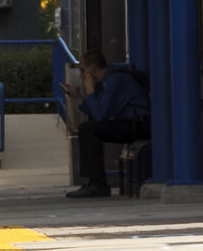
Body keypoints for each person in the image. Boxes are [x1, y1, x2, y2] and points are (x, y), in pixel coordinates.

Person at [62, 49, 149, 198]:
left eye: (83, 70)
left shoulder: (115, 80)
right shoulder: (106, 82)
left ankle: (97, 183)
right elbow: (98, 111)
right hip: (129, 123)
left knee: (88, 129)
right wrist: (78, 98)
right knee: (88, 129)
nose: (81, 74)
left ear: (93, 69)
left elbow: (100, 115)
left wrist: (89, 89)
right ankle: (92, 181)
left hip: (139, 125)